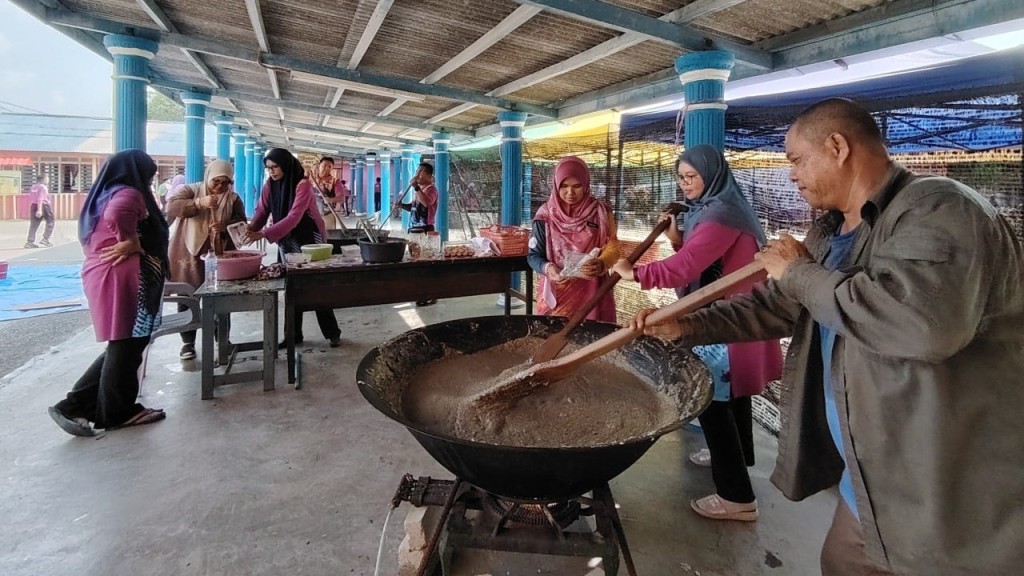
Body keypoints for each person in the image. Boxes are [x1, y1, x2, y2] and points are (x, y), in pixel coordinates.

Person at [632, 98, 1024, 575]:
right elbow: (777, 307)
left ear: (837, 147)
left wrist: (796, 272)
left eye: (797, 159)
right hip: (867, 485)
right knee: (838, 562)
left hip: (946, 500)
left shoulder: (942, 209)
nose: (791, 174)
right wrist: (686, 324)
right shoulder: (833, 230)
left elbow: (918, 326)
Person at [612, 145, 782, 522]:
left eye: (691, 177)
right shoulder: (719, 206)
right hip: (733, 316)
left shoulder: (721, 214)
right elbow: (704, 257)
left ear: (712, 174)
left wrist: (636, 273)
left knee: (712, 400)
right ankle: (742, 456)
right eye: (681, 178)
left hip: (727, 320)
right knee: (732, 393)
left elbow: (686, 268)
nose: (685, 185)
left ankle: (737, 497)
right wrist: (675, 237)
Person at [48, 149, 170, 437]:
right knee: (128, 342)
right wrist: (132, 240)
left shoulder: (103, 193)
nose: (149, 182)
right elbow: (120, 215)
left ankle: (76, 403)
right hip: (122, 275)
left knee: (123, 342)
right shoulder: (128, 194)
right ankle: (116, 412)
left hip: (103, 272)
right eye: (148, 176)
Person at [245, 148, 341, 348]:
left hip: (309, 239)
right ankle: (292, 335)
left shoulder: (302, 185)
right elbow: (262, 211)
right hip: (286, 239)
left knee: (315, 287)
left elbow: (294, 217)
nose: (272, 171)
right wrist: (248, 231)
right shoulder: (269, 186)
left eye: (275, 167)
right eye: (268, 168)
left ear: (286, 164)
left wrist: (263, 233)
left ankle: (332, 333)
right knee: (291, 287)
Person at [165, 160, 246, 360]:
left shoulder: (233, 199)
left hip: (220, 253)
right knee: (188, 297)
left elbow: (241, 222)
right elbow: (172, 207)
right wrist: (199, 203)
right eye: (216, 181)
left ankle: (222, 340)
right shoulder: (190, 190)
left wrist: (225, 225)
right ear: (208, 177)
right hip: (189, 252)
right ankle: (188, 343)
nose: (219, 187)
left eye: (225, 183)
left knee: (221, 298)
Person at [527, 155, 620, 323]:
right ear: (556, 185)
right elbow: (533, 256)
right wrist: (548, 268)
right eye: (564, 186)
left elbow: (613, 246)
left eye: (577, 186)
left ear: (586, 185)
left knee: (593, 339)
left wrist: (602, 263)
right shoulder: (545, 216)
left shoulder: (601, 212)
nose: (570, 193)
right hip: (556, 292)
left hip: (593, 292)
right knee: (553, 336)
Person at [399, 162, 438, 233]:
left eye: (420, 172)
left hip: (425, 228)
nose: (416, 175)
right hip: (413, 226)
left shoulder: (431, 189)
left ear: (429, 176)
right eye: (417, 171)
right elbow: (413, 207)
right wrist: (401, 205)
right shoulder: (419, 190)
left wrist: (416, 187)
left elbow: (426, 203)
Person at [25, 174, 55, 248]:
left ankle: (30, 242)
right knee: (50, 221)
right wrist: (39, 210)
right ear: (43, 179)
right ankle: (46, 238)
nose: (48, 180)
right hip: (43, 206)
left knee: (34, 224)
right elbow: (40, 198)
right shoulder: (43, 187)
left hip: (34, 205)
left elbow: (32, 197)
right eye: (47, 178)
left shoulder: (33, 187)